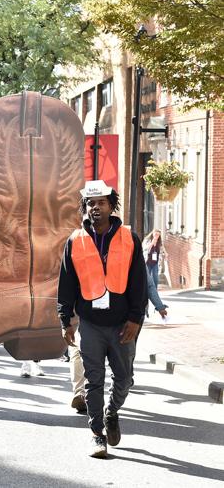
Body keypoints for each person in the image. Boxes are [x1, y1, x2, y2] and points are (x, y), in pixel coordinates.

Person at [58, 180, 146, 458]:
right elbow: (67, 283)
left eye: (101, 202)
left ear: (111, 205)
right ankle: (97, 434)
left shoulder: (130, 239)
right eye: (91, 203)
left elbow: (139, 282)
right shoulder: (75, 240)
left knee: (124, 379)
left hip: (122, 324)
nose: (96, 207)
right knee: (93, 381)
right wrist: (65, 319)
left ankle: (111, 413)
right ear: (85, 208)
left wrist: (135, 318)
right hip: (90, 323)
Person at [142, 229, 169, 322]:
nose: (157, 236)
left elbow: (163, 251)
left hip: (155, 264)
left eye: (158, 234)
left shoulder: (160, 243)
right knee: (149, 285)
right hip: (147, 263)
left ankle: (155, 297)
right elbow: (144, 248)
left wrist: (165, 255)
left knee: (154, 282)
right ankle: (151, 307)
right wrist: (152, 242)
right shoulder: (147, 240)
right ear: (152, 234)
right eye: (155, 234)